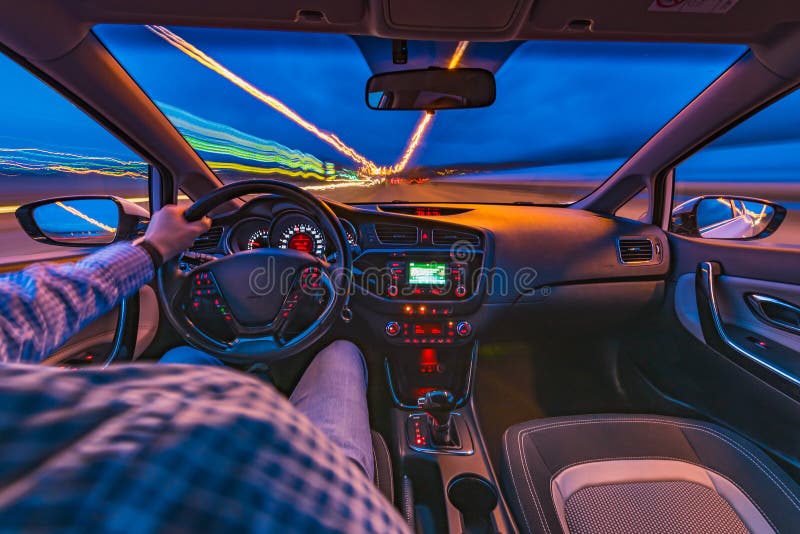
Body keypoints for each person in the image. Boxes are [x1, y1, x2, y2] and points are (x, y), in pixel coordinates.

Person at [0, 204, 409, 533]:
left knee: (185, 358)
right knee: (340, 354)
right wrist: (152, 248)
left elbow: (24, 313)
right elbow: (30, 308)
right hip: (310, 494)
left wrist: (154, 249)